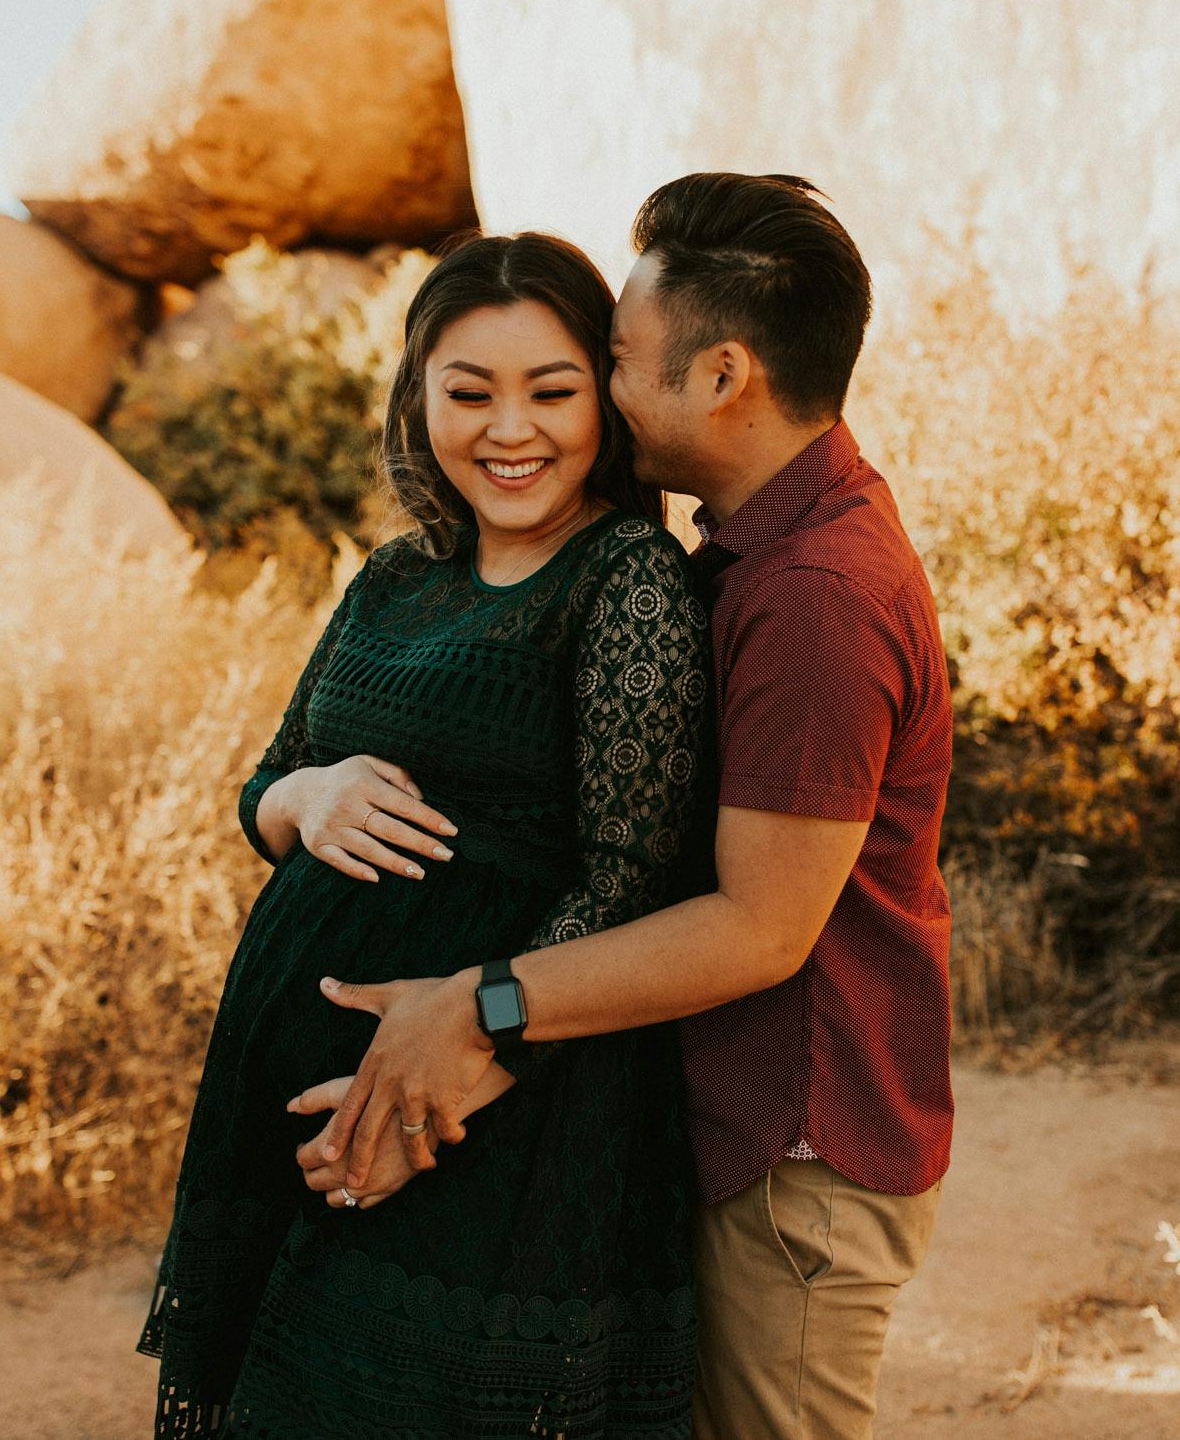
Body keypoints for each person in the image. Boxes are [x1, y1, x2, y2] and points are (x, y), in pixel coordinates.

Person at [298, 173, 957, 1440]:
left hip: (794, 1158)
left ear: (721, 377)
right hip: (716, 1128)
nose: (595, 389)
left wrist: (481, 1006)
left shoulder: (819, 593)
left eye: (613, 359)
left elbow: (761, 929)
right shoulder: (748, 544)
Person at [134, 229, 717, 1438]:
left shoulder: (627, 580)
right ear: (420, 402)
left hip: (492, 1120)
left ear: (603, 405)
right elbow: (265, 788)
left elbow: (631, 879)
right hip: (296, 1112)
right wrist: (314, 794)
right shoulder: (396, 577)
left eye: (552, 392)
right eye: (470, 392)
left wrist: (437, 1085)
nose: (512, 430)